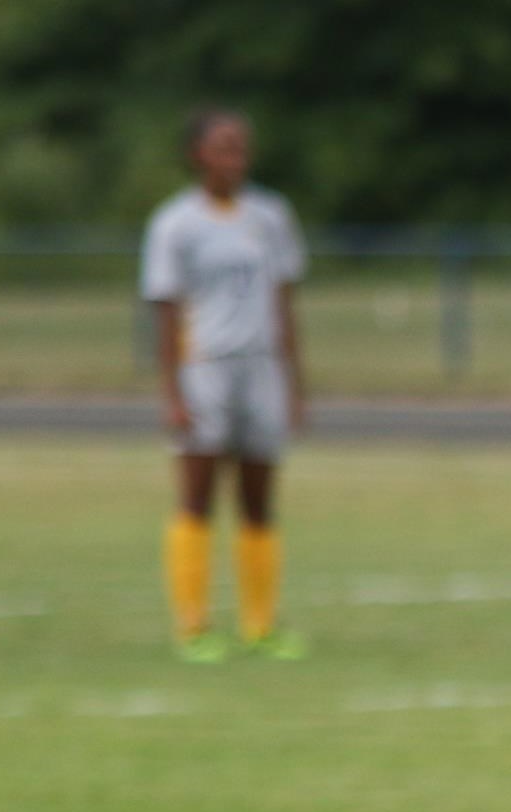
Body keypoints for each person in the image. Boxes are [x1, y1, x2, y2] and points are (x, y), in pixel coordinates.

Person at [141, 108, 307, 661]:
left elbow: (285, 301)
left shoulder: (271, 215)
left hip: (261, 368)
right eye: (225, 147)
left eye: (242, 147)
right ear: (199, 156)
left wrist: (295, 382)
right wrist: (172, 393)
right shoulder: (175, 224)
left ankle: (260, 626)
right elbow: (166, 312)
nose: (237, 158)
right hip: (205, 367)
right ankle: (194, 627)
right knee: (197, 496)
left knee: (259, 499)